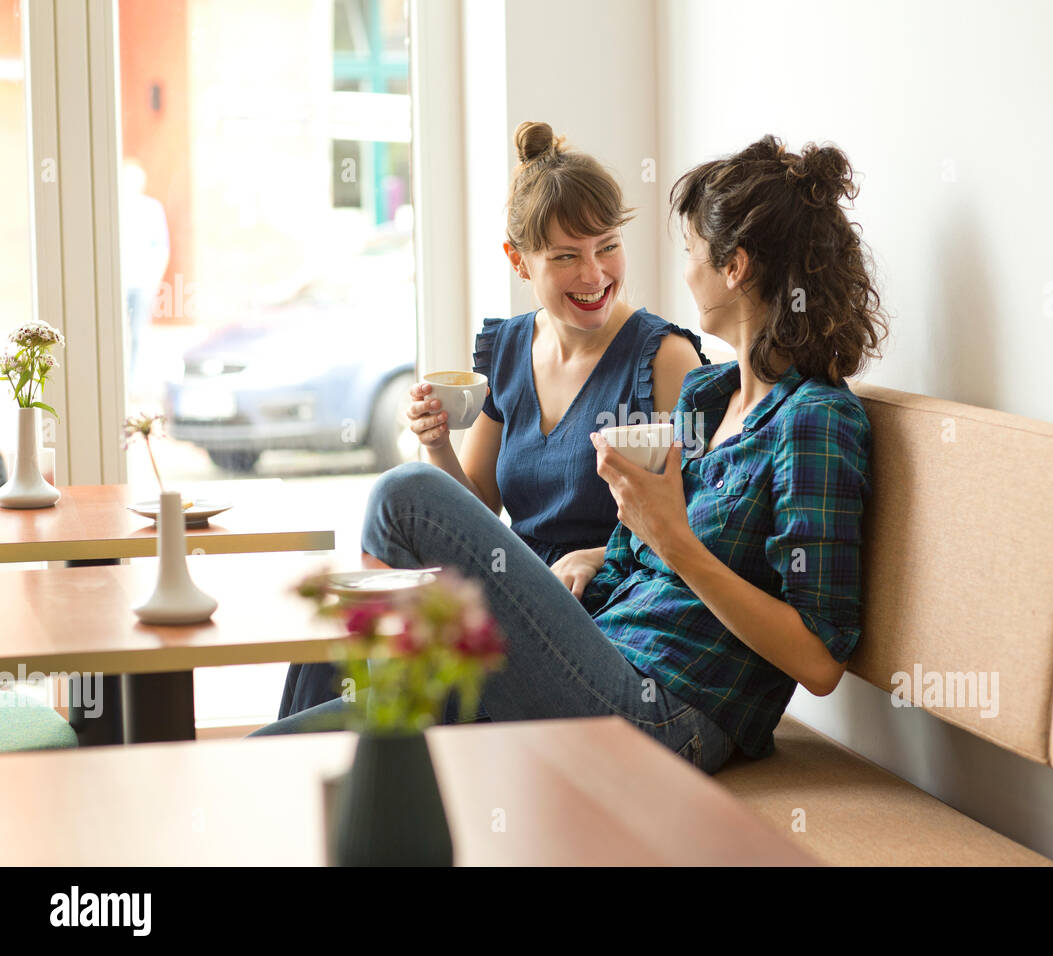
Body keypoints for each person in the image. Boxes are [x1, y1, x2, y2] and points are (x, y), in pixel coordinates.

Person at [256, 135, 888, 774]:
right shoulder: (709, 393)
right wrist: (601, 554)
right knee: (292, 749)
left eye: (692, 251)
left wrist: (673, 541)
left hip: (665, 711)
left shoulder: (815, 422)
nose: (685, 270)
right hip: (596, 651)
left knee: (404, 496)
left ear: (736, 267)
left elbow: (819, 661)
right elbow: (636, 553)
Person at [276, 122, 706, 717]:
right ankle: (335, 749)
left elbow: (699, 522)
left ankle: (351, 734)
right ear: (518, 261)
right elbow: (478, 506)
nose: (594, 274)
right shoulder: (508, 350)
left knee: (396, 506)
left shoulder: (663, 358)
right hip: (509, 597)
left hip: (598, 621)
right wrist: (436, 446)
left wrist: (601, 555)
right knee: (351, 594)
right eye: (565, 257)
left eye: (607, 245)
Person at [119, 160, 170, 387]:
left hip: (142, 282)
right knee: (117, 331)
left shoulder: (151, 208)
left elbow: (161, 247)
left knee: (138, 332)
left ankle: (132, 381)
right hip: (119, 282)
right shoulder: (114, 208)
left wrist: (153, 278)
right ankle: (118, 377)